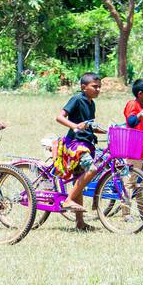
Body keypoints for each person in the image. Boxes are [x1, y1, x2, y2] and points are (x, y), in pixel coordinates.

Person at [56, 72, 104, 228]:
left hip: (86, 143)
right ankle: (68, 200)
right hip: (76, 144)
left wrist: (105, 131)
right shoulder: (77, 99)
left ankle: (80, 223)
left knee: (79, 181)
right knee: (92, 169)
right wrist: (74, 126)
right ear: (84, 87)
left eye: (99, 87)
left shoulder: (92, 104)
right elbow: (60, 117)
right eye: (94, 86)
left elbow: (88, 125)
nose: (98, 89)